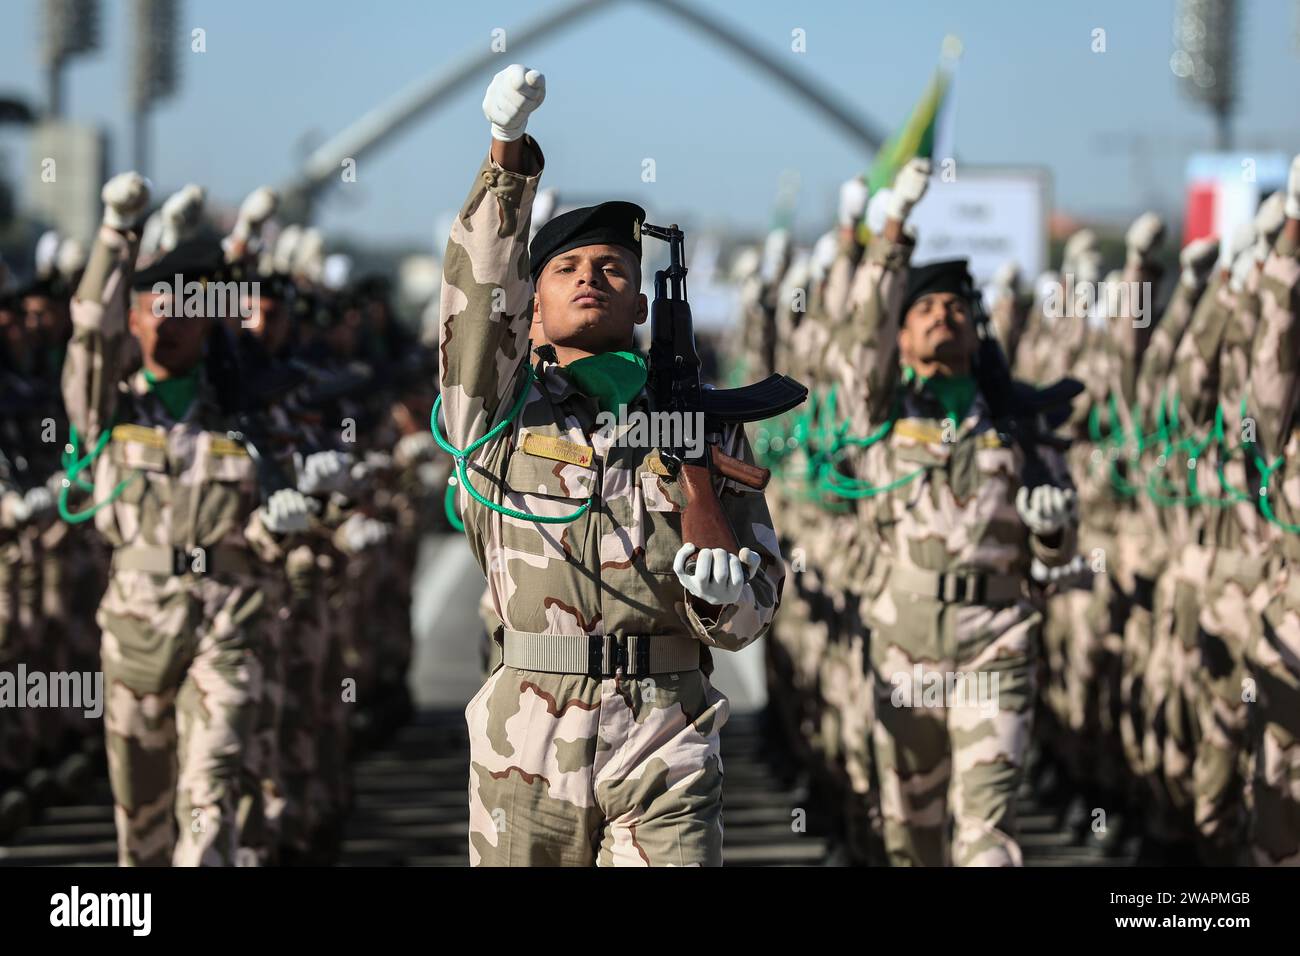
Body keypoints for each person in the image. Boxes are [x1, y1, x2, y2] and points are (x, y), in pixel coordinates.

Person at [440, 63, 783, 866]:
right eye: (565, 269)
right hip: (527, 733)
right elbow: (475, 302)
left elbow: (751, 614)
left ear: (641, 304)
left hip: (667, 728)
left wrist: (721, 595)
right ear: (532, 308)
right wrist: (506, 159)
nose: (590, 277)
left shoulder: (703, 430)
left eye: (612, 269)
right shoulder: (493, 414)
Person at [832, 157, 1077, 866]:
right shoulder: (879, 415)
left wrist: (1054, 527)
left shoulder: (1016, 419)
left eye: (957, 309)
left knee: (987, 839)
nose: (943, 316)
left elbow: (1060, 554)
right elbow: (860, 337)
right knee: (911, 838)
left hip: (995, 647)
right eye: (925, 309)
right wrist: (891, 234)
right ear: (902, 338)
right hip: (903, 647)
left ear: (977, 331)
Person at [62, 171, 312, 866]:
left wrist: (285, 522)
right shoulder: (109, 409)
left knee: (209, 804)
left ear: (210, 320)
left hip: (228, 625)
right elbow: (86, 336)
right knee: (140, 823)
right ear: (134, 315)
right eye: (154, 306)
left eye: (185, 307)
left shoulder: (245, 411)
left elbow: (263, 529)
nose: (169, 320)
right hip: (137, 631)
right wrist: (115, 239)